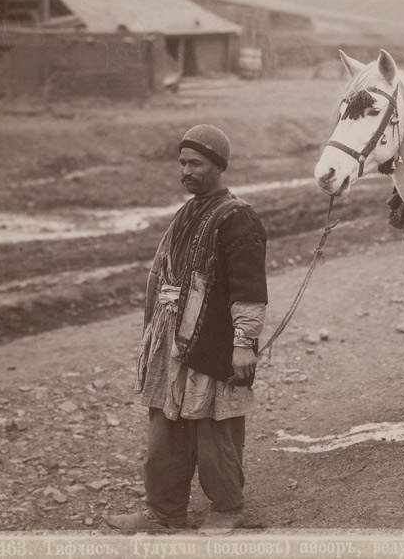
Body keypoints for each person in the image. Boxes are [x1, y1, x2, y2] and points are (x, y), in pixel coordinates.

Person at [105, 124, 268, 535]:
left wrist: (244, 344)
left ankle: (227, 509)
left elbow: (249, 291)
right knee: (165, 433)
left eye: (195, 163)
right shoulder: (186, 212)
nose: (186, 170)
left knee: (217, 434)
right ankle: (164, 514)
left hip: (214, 345)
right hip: (172, 345)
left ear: (218, 166)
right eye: (182, 163)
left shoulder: (239, 218)